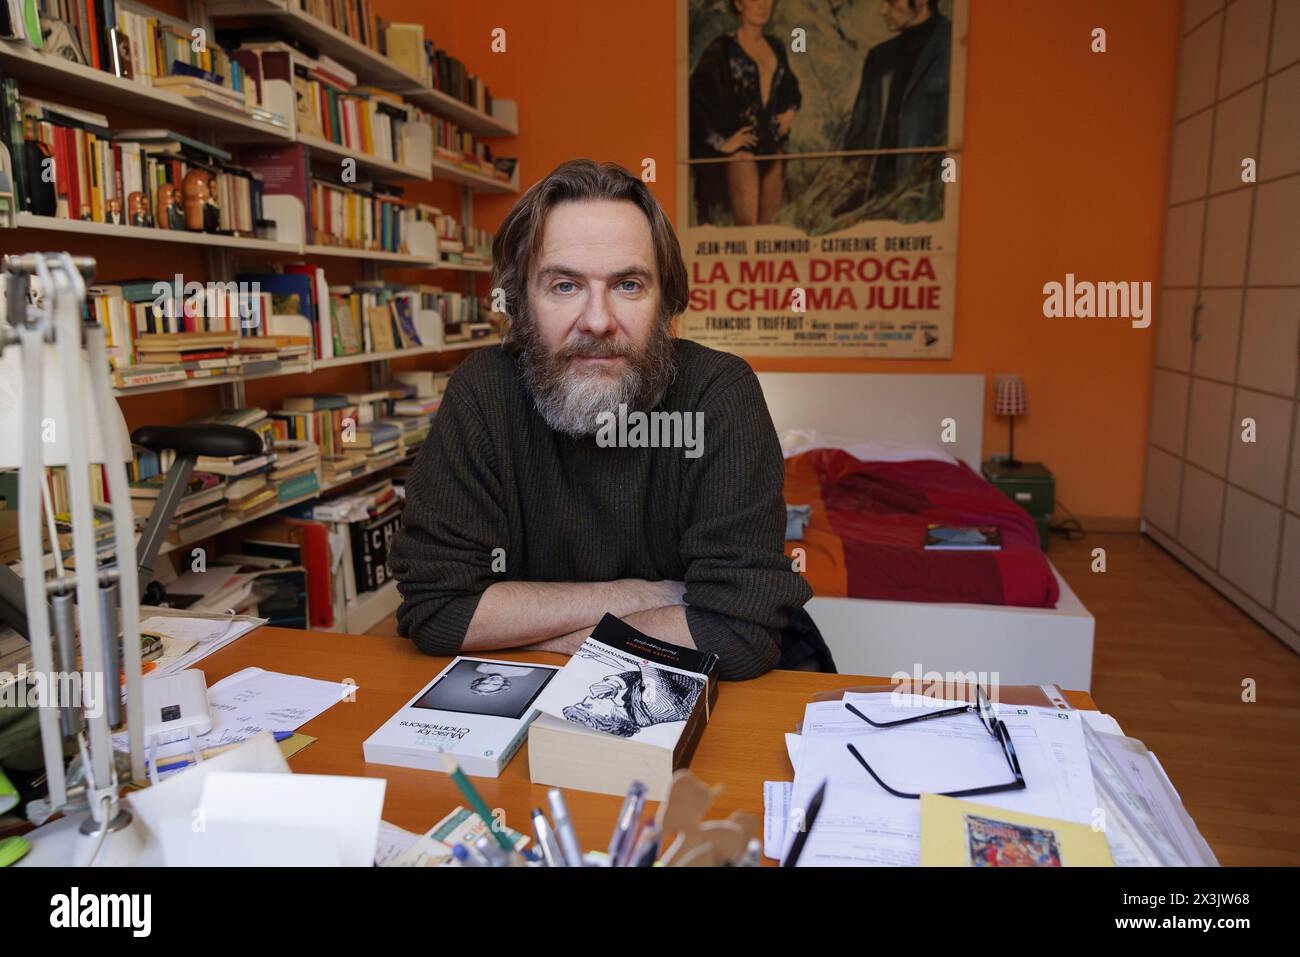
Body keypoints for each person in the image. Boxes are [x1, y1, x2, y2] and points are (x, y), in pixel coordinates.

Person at [388, 159, 816, 680]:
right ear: (521, 302)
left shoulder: (717, 391)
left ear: (666, 302)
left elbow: (738, 634)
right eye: (564, 285)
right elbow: (439, 612)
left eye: (629, 285)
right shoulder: (483, 391)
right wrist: (637, 595)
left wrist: (540, 634)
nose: (597, 320)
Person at [689, 0, 802, 225]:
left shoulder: (776, 46)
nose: (762, 5)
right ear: (739, 4)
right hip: (741, 155)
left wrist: (789, 113)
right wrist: (722, 142)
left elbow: (791, 89)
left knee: (766, 236)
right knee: (746, 233)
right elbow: (695, 100)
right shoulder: (722, 50)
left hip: (773, 148)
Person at [840, 0, 951, 207]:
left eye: (891, 2)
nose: (883, 11)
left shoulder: (953, 48)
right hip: (872, 203)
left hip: (924, 199)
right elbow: (858, 135)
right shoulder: (879, 57)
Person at [561, 666, 702, 738]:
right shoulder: (652, 706)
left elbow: (639, 675)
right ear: (604, 718)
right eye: (587, 705)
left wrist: (615, 683)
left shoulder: (637, 710)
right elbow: (652, 665)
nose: (587, 698)